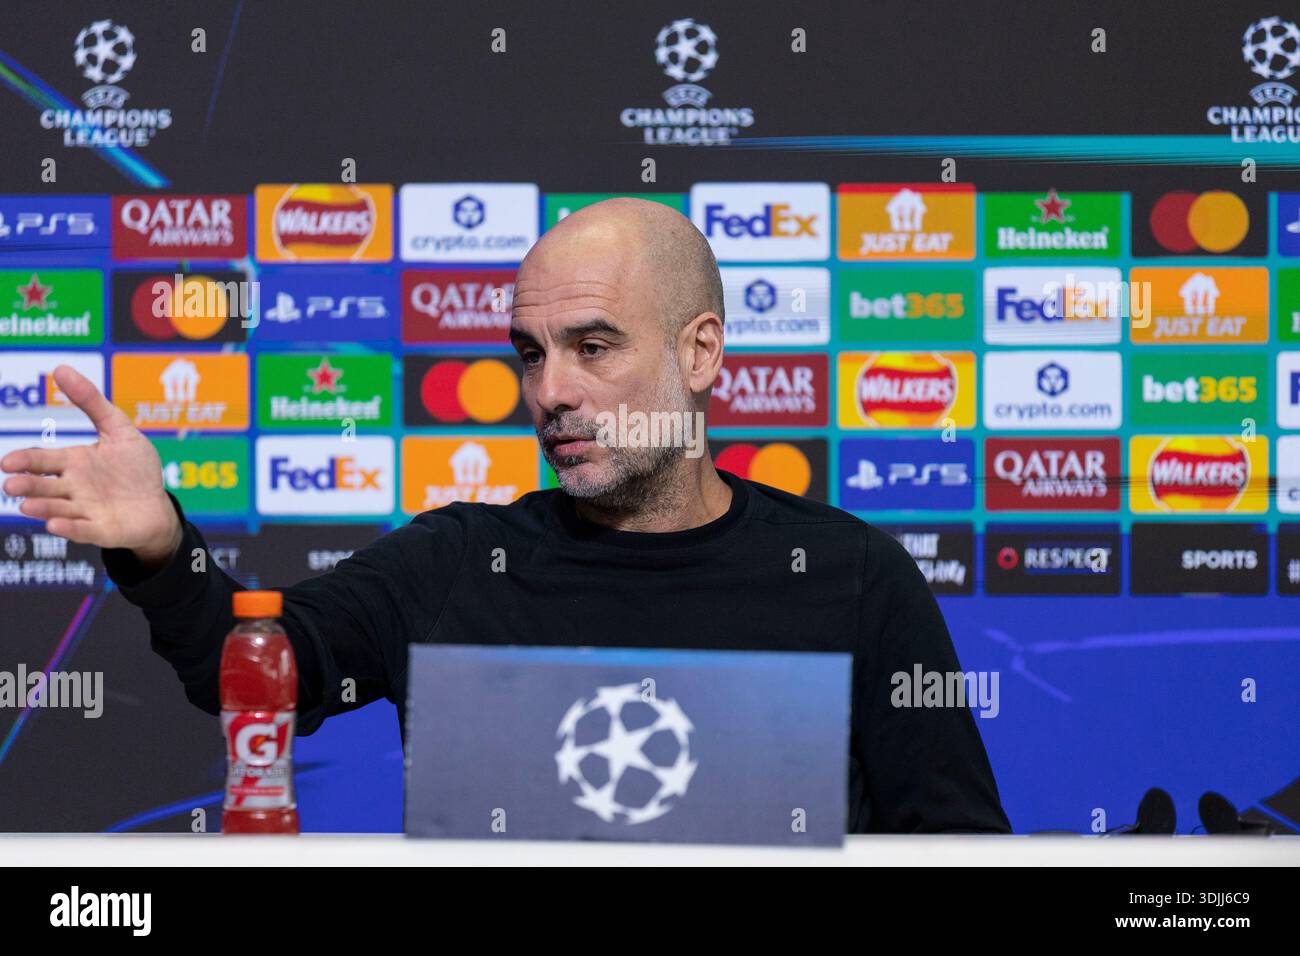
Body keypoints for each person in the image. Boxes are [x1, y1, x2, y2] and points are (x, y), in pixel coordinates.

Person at [0, 198, 1010, 833]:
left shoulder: (853, 577)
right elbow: (260, 671)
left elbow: (958, 856)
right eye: (531, 354)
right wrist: (163, 549)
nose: (550, 391)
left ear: (700, 354)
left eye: (593, 346)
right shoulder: (455, 561)